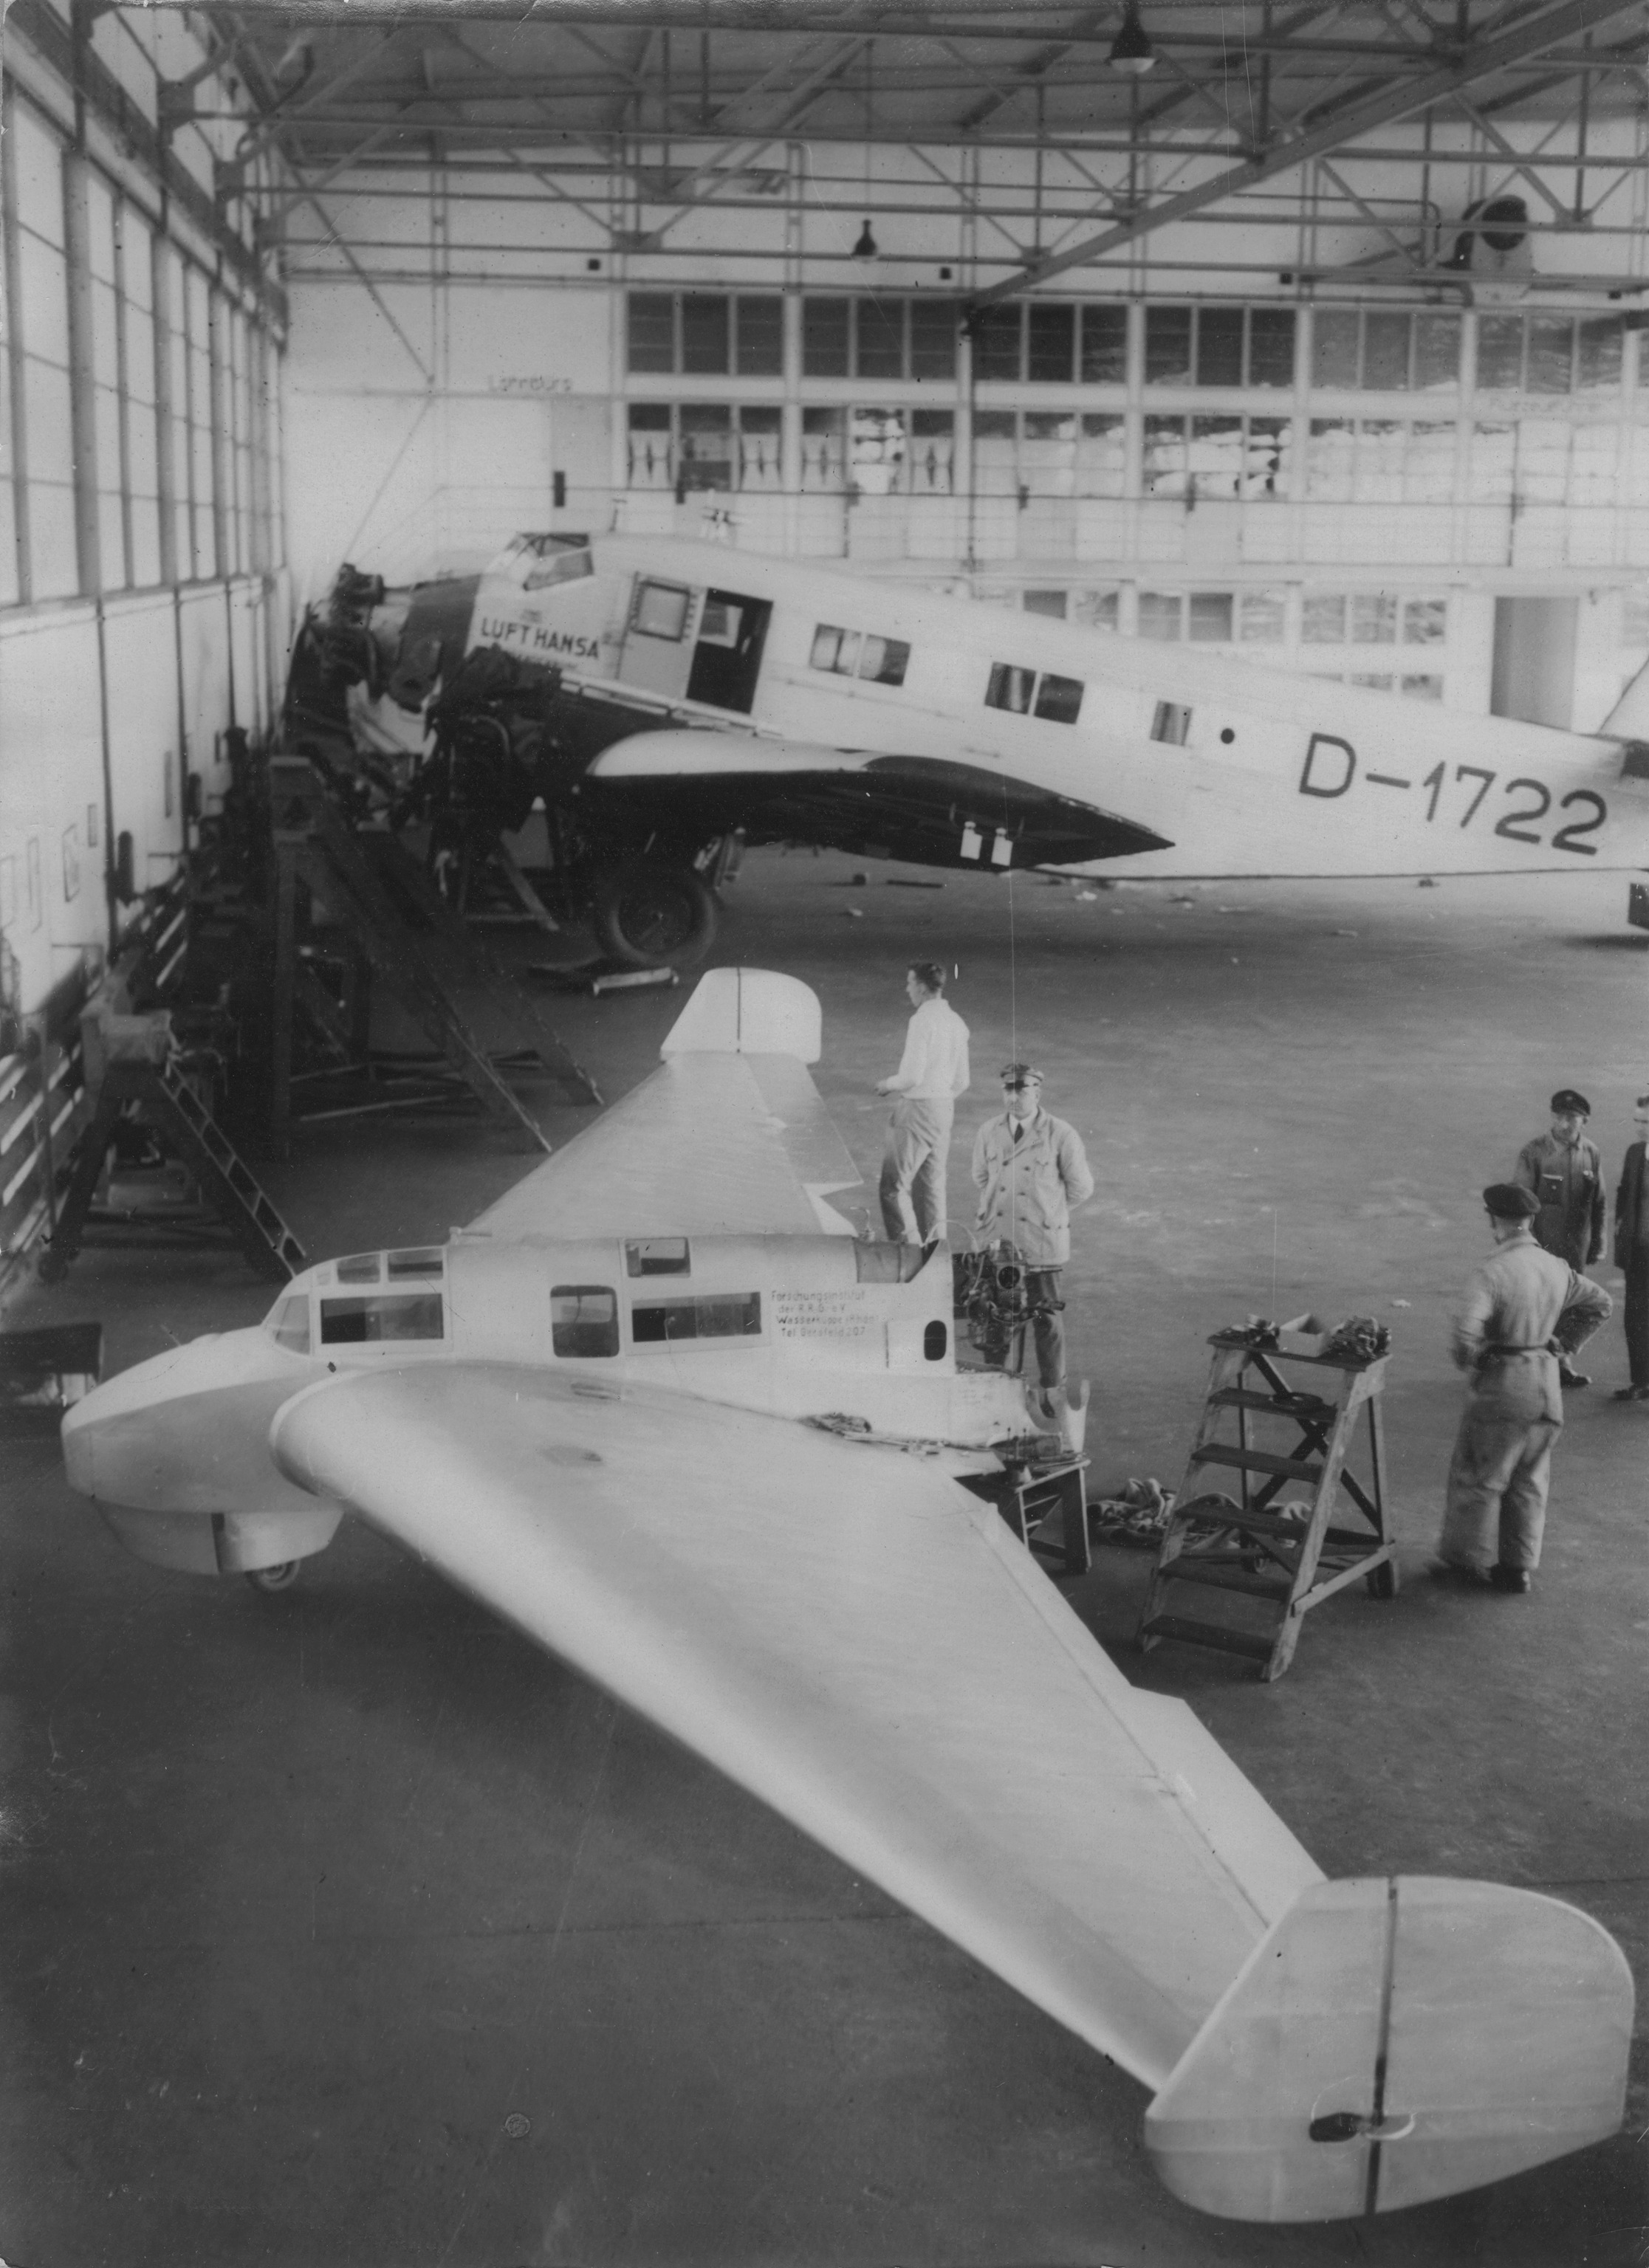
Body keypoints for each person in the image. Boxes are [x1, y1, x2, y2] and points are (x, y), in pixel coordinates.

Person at [1434, 1182, 1611, 1594]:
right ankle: (1517, 1569)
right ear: (1530, 1220)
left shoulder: (1491, 1272)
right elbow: (1600, 1303)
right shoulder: (1555, 1266)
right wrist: (1563, 1343)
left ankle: (1464, 1562)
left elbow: (1465, 1332)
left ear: (1494, 1220)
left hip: (1503, 1383)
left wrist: (1471, 1358)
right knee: (1530, 1479)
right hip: (1545, 1383)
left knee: (1480, 1475)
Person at [970, 1064, 1094, 1389]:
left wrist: (1048, 1213)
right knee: (996, 1315)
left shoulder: (1060, 1133)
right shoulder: (989, 1130)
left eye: (1020, 1090)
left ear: (1036, 1092)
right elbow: (981, 1177)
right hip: (998, 1243)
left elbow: (1081, 1187)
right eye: (1007, 1090)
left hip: (1040, 1243)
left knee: (1047, 1320)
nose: (1013, 1097)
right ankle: (995, 1387)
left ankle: (1052, 1391)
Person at [1512, 1087, 1606, 1386]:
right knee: (1538, 1305)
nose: (1565, 1124)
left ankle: (1560, 1363)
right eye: (1560, 1117)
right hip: (1542, 1247)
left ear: (1585, 1121)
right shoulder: (1534, 1152)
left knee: (1570, 1305)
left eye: (1573, 1118)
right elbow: (1520, 1203)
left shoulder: (1591, 1153)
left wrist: (1598, 1243)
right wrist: (1520, 1245)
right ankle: (1530, 1366)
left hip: (1575, 1247)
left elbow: (1599, 1203)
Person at [876, 962, 970, 1243]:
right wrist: (939, 1097)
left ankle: (908, 1253)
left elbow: (912, 1077)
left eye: (909, 984)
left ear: (920, 986)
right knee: (930, 1187)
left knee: (893, 1188)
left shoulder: (922, 1020)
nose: (907, 990)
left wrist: (887, 1085)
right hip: (944, 1110)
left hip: (918, 1110)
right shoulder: (956, 1021)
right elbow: (963, 1081)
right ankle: (936, 1257)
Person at [1611, 1093, 1649, 1401]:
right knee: (1635, 1318)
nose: (1640, 1129)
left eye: (1646, 1122)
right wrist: (1621, 1228)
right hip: (1638, 1252)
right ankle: (1641, 1383)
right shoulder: (1635, 1153)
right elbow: (1625, 1193)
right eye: (1638, 1121)